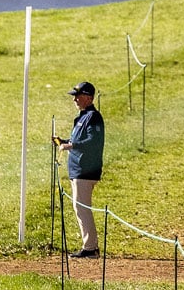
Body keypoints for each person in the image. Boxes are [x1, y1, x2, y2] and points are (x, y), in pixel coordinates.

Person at [53, 81, 104, 259]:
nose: (74, 99)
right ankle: (90, 246)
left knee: (82, 208)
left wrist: (71, 145)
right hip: (78, 170)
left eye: (78, 96)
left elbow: (92, 142)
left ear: (88, 97)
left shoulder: (93, 117)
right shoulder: (83, 117)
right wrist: (63, 141)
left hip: (85, 170)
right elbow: (79, 141)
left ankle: (90, 248)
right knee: (79, 207)